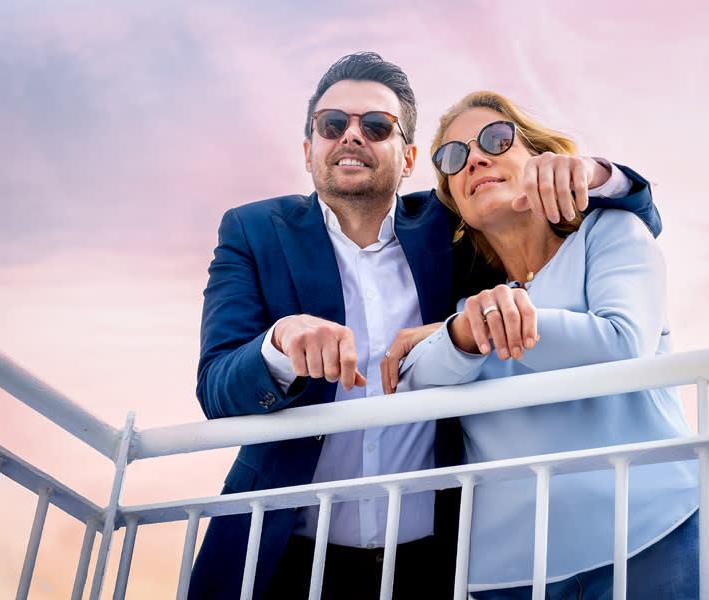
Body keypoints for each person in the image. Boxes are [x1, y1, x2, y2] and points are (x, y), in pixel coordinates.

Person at [189, 52, 661, 600]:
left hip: (433, 563)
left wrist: (596, 175)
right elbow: (216, 385)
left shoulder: (451, 226)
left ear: (408, 156)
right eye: (332, 124)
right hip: (283, 556)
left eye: (376, 126)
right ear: (308, 149)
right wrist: (277, 345)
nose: (351, 136)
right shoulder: (251, 230)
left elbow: (630, 219)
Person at [393, 91, 709, 599]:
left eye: (495, 139)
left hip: (662, 536)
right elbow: (413, 380)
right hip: (511, 577)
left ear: (539, 159)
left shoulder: (610, 232)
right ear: (454, 200)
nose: (475, 157)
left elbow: (620, 343)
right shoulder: (465, 303)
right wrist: (462, 327)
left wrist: (488, 324)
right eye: (452, 157)